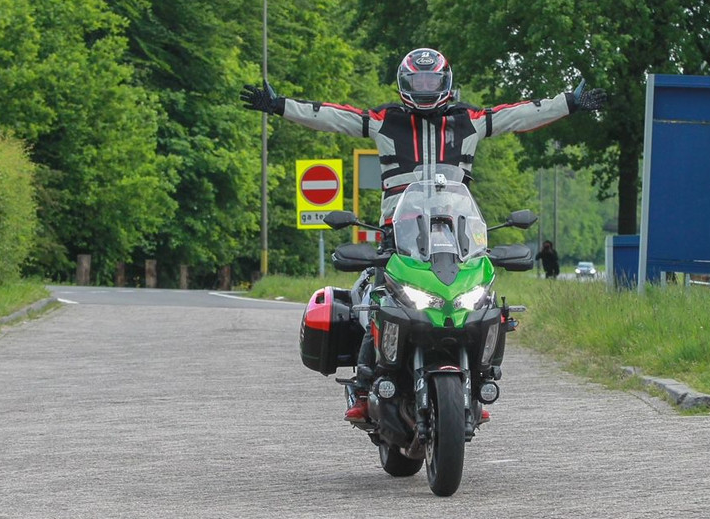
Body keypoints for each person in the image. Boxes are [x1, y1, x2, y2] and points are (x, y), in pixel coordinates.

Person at [241, 47, 606, 421]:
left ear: (446, 82)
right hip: (398, 233)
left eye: (433, 81)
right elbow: (334, 116)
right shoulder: (386, 119)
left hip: (458, 232)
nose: (426, 88)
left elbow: (519, 114)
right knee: (376, 299)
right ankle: (366, 387)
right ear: (404, 84)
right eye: (418, 81)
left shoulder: (470, 119)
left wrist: (569, 103)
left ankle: (478, 379)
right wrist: (279, 105)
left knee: (483, 300)